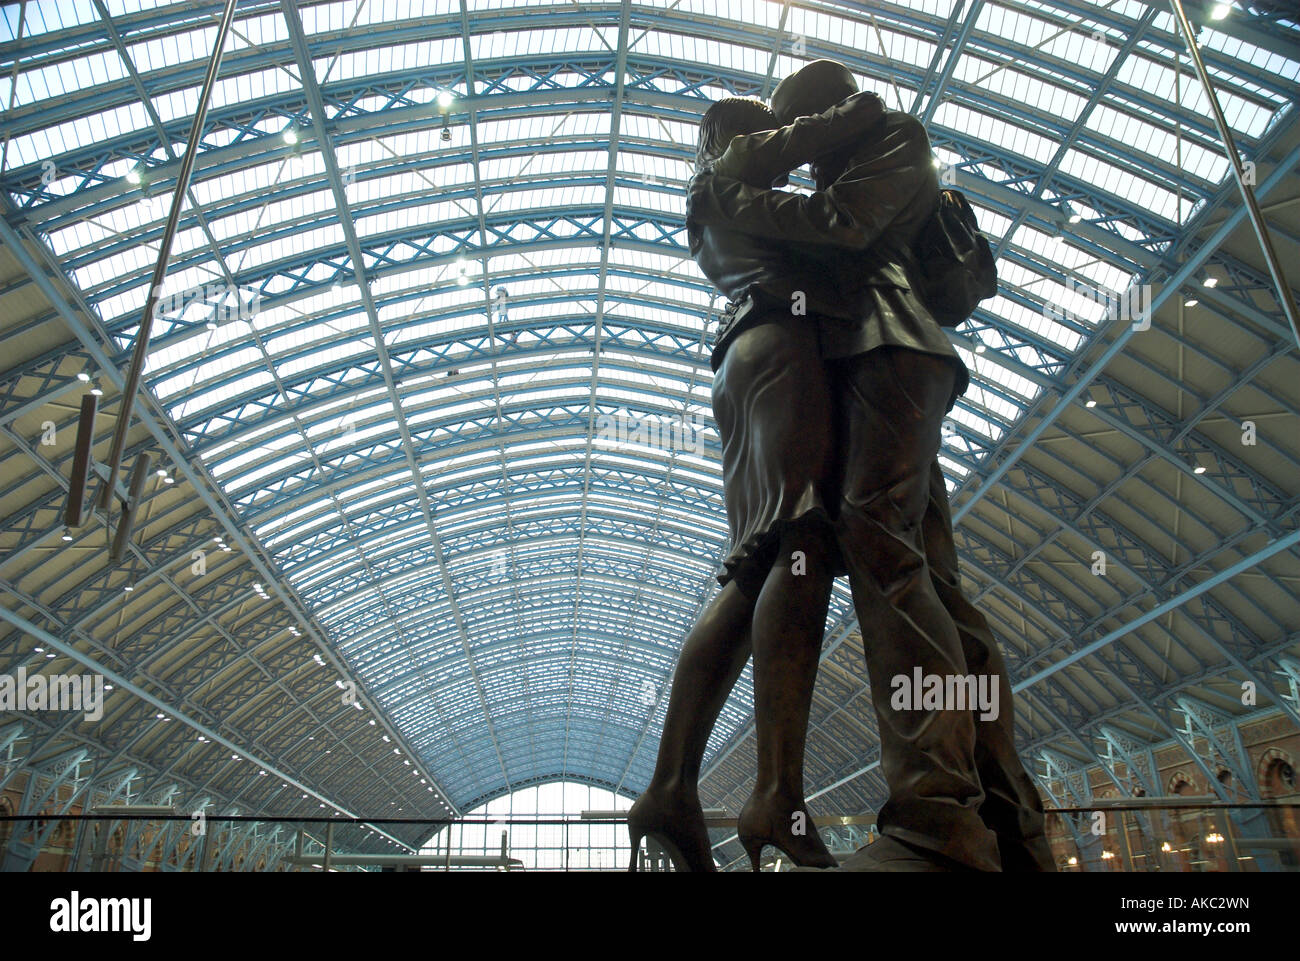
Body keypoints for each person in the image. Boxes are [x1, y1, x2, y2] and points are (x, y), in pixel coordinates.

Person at [687, 59, 1053, 872]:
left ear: (825, 114)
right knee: (933, 578)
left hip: (891, 348)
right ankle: (1004, 811)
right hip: (871, 357)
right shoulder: (863, 148)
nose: (797, 152)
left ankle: (937, 814)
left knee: (880, 545)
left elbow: (844, 223)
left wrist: (727, 198)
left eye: (799, 132)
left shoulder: (893, 138)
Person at [628, 92, 886, 871]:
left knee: (757, 563)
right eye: (762, 134)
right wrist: (857, 113)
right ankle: (778, 790)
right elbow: (808, 142)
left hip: (747, 362)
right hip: (779, 354)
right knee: (802, 540)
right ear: (735, 139)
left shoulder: (720, 206)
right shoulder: (728, 179)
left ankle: (671, 787)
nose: (778, 143)